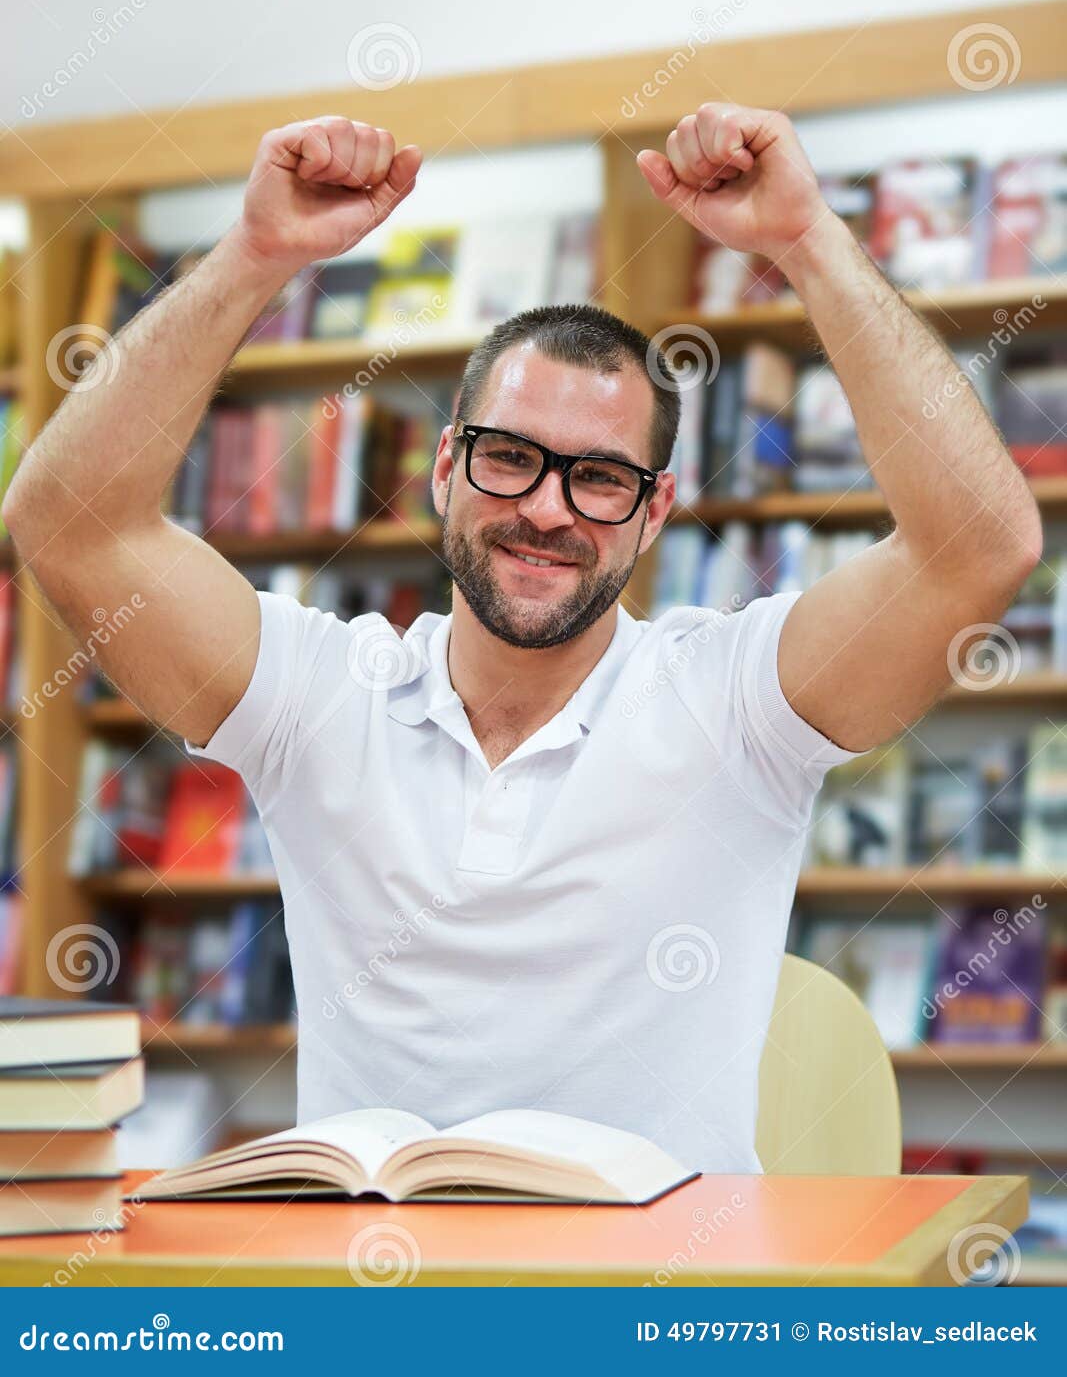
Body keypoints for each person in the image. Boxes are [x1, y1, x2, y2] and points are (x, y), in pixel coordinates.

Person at [3, 106, 1040, 1171]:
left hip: (650, 1319)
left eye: (598, 477)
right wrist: (256, 254)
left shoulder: (737, 701)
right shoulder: (319, 693)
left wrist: (808, 240)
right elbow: (67, 525)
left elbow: (977, 547)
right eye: (510, 457)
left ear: (653, 511)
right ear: (448, 465)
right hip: (383, 1315)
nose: (547, 510)